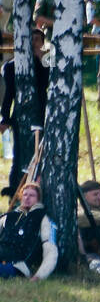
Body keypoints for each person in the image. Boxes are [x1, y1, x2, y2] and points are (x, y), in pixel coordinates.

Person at [1, 27, 51, 197]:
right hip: (20, 115)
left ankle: (38, 188)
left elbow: (48, 83)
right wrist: (5, 118)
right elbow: (8, 95)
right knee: (20, 154)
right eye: (32, 39)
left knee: (41, 154)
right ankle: (15, 189)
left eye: (38, 39)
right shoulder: (11, 67)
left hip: (43, 113)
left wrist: (41, 57)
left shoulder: (47, 63)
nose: (35, 43)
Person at [0, 182, 57, 280]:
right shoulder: (9, 216)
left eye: (32, 195)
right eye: (25, 194)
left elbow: (51, 250)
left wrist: (39, 275)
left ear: (38, 199)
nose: (27, 198)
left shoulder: (43, 219)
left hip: (16, 265)